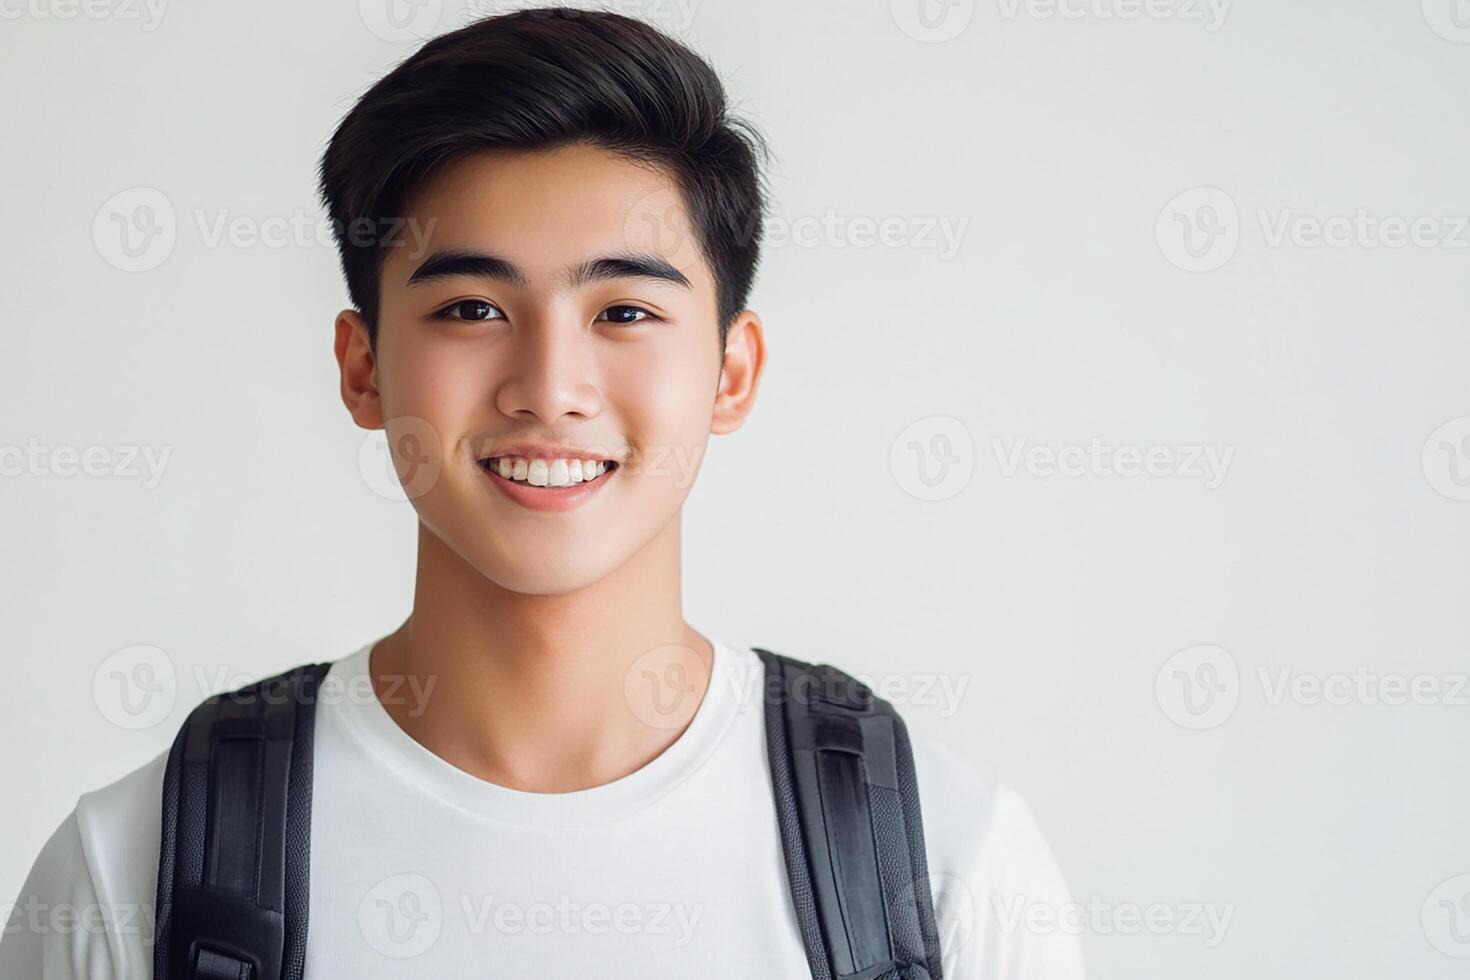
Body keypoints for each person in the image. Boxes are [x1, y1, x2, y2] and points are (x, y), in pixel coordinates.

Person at [1, 8, 1085, 977]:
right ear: (362, 366)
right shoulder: (130, 870)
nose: (549, 389)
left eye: (624, 311)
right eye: (472, 308)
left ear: (732, 371)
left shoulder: (943, 862)